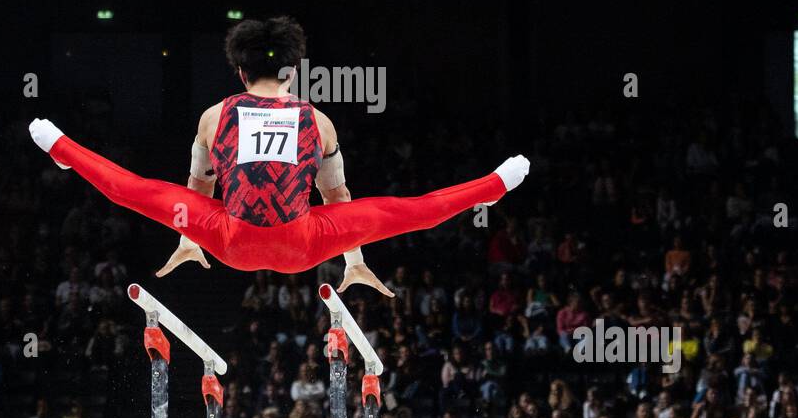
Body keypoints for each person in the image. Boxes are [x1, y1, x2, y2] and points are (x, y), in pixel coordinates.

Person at [29, 17, 529, 293]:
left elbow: (196, 191)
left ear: (240, 74)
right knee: (410, 212)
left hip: (228, 238)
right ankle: (497, 183)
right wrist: (349, 255)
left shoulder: (213, 116)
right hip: (303, 244)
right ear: (290, 74)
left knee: (136, 191)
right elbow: (339, 199)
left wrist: (190, 238)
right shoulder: (318, 121)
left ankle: (63, 148)